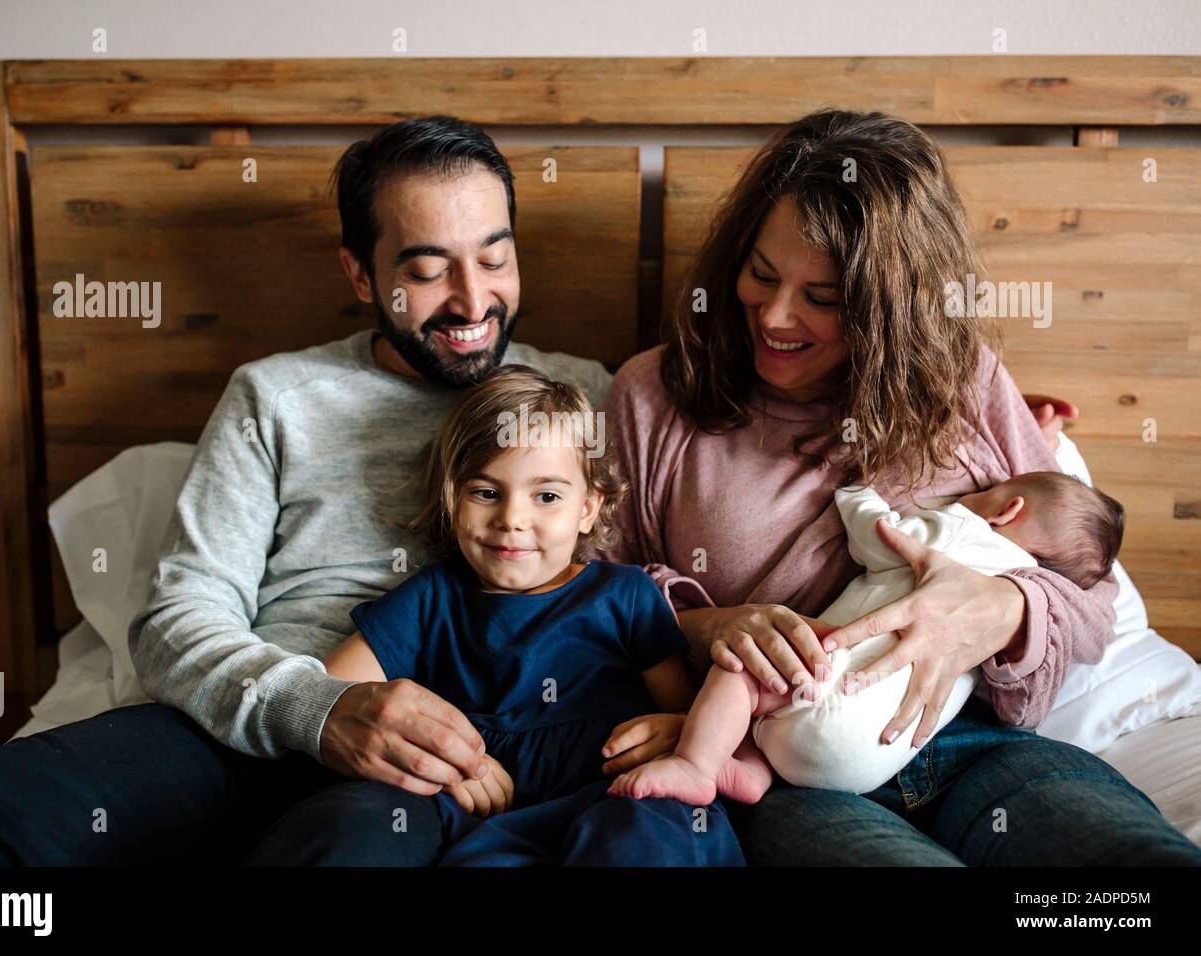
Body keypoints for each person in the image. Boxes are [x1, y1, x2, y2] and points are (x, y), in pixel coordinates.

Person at [0, 116, 613, 866]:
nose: (473, 303)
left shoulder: (585, 396)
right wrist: (319, 709)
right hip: (264, 728)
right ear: (360, 274)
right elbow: (176, 622)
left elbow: (638, 598)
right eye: (428, 272)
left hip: (458, 760)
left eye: (495, 258)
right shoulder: (277, 397)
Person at [593, 108, 1201, 865]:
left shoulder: (963, 382)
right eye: (762, 273)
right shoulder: (655, 396)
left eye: (825, 297)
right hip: (795, 770)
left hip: (982, 749)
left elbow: (1094, 609)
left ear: (894, 309)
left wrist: (1005, 607)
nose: (776, 316)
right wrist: (703, 627)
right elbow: (585, 595)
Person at [315, 366, 744, 865]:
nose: (512, 519)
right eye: (485, 492)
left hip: (613, 789)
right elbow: (334, 692)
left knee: (643, 836)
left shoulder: (625, 593)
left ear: (587, 507)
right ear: (453, 499)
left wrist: (680, 732)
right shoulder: (433, 598)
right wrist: (453, 763)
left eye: (547, 496)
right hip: (476, 802)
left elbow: (686, 708)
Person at [609, 471, 1125, 803]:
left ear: (1007, 510)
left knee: (744, 672)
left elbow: (879, 537)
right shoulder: (1021, 567)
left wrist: (858, 495)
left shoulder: (961, 531)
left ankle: (700, 765)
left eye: (985, 489)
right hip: (877, 757)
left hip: (826, 704)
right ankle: (748, 773)